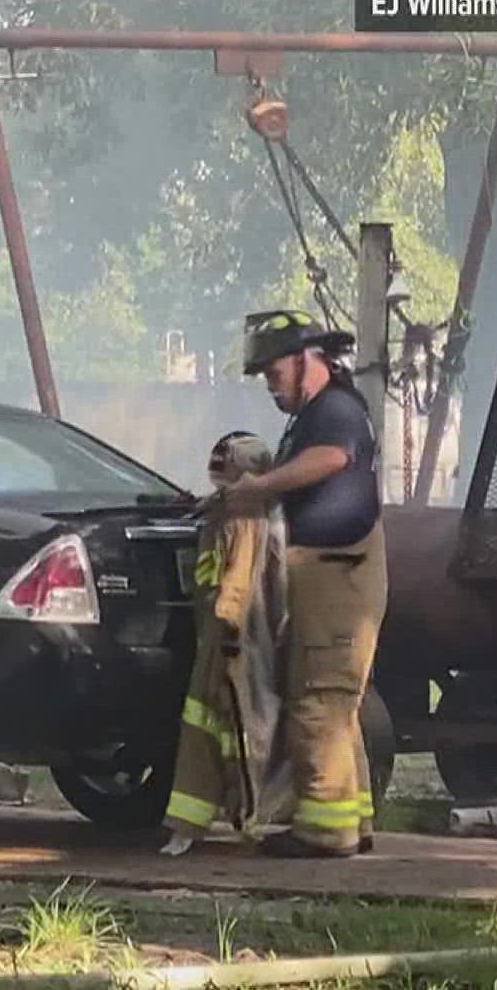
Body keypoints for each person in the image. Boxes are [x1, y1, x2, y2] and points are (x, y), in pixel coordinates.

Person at [225, 310, 387, 858]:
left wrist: (261, 488)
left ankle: (323, 832)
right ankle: (351, 822)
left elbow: (332, 459)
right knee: (336, 706)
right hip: (327, 571)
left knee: (317, 700)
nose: (271, 388)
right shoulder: (315, 412)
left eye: (274, 374)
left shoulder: (336, 410)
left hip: (338, 572)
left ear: (306, 359)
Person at [162, 431, 292, 856]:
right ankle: (220, 818)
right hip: (223, 637)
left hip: (235, 639)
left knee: (238, 729)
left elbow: (238, 576)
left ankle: (243, 818)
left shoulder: (245, 515)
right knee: (218, 727)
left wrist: (229, 626)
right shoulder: (235, 508)